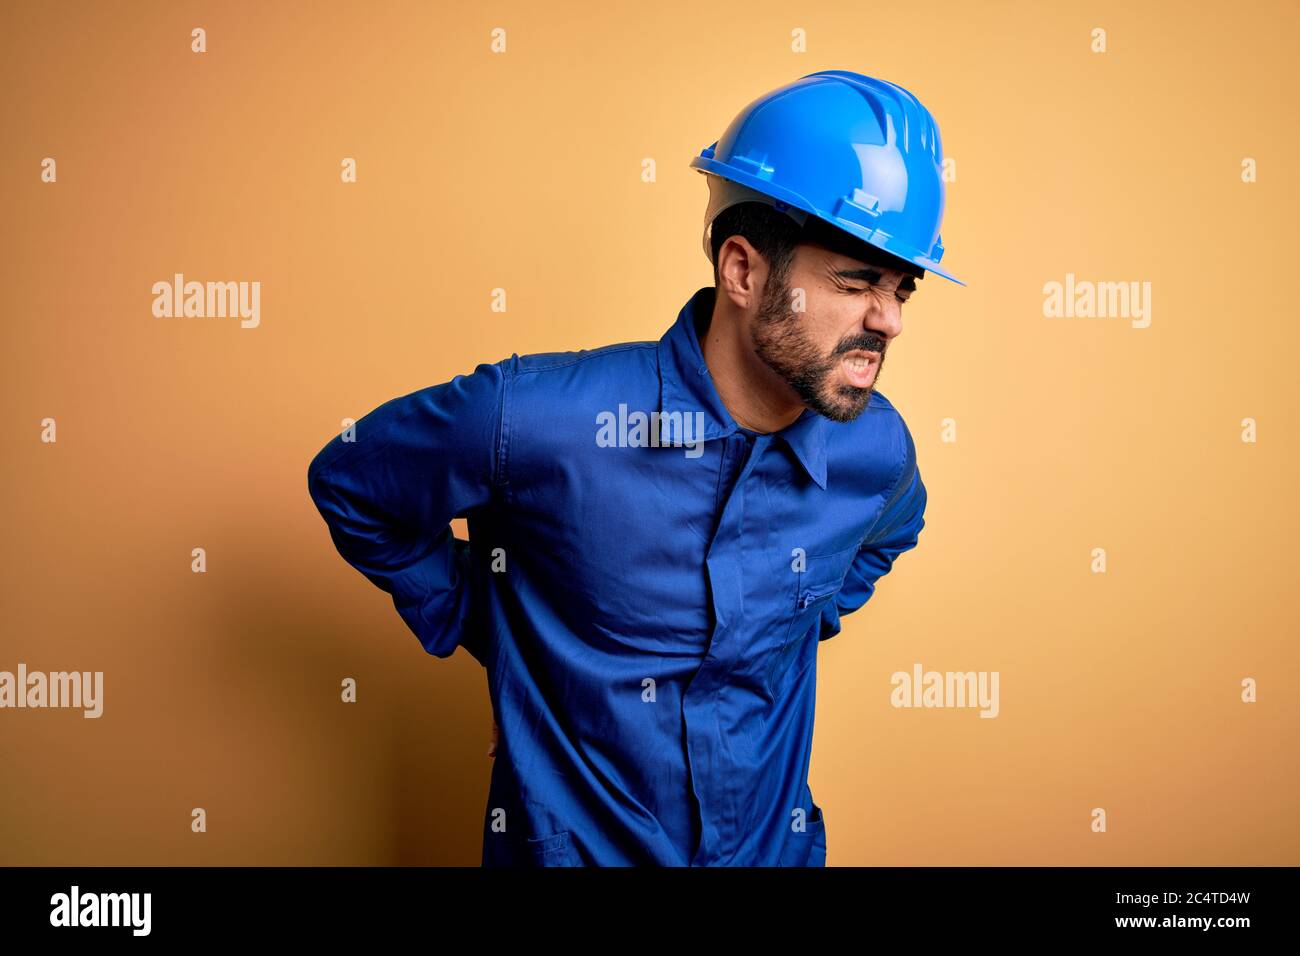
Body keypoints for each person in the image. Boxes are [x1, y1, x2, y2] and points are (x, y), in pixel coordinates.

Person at [307, 70, 963, 866]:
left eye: (901, 287)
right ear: (744, 271)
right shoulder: (537, 421)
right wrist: (504, 640)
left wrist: (787, 626)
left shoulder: (876, 452)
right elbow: (351, 484)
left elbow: (887, 536)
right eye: (856, 281)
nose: (888, 319)